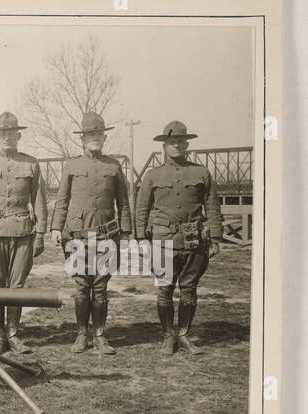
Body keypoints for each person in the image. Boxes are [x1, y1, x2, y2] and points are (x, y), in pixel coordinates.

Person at [134, 121, 223, 355]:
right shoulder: (152, 175)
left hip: (194, 241)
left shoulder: (201, 172)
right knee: (164, 289)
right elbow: (141, 209)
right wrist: (141, 238)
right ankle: (167, 336)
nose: (175, 146)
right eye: (171, 142)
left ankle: (184, 335)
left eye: (180, 142)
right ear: (164, 145)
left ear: (187, 144)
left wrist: (216, 238)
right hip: (162, 240)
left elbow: (212, 206)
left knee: (189, 289)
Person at [50, 112, 133, 354]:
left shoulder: (114, 166)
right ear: (82, 139)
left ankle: (99, 335)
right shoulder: (72, 165)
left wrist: (126, 233)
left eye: (98, 134)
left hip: (107, 236)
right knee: (81, 286)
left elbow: (124, 203)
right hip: (77, 237)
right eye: (90, 135)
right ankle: (81, 335)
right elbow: (62, 200)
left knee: (100, 287)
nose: (94, 138)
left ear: (104, 137)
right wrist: (56, 227)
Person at [0, 112, 48, 354]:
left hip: (23, 233)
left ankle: (13, 334)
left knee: (17, 286)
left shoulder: (31, 164)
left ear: (18, 135)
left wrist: (41, 233)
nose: (7, 138)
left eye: (11, 134)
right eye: (2, 135)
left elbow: (40, 202)